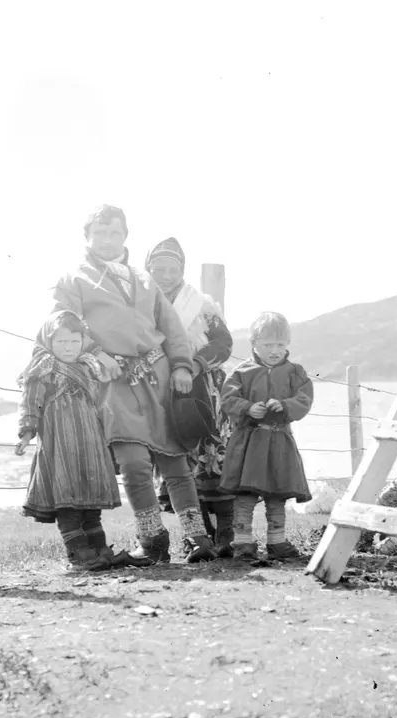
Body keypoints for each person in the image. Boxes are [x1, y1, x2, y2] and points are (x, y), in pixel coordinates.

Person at [50, 205, 217, 564]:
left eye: (115, 233)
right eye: (100, 233)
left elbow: (171, 327)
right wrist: (96, 352)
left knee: (175, 462)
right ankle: (153, 540)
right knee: (134, 463)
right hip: (114, 379)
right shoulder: (73, 279)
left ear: (125, 236)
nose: (107, 240)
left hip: (159, 376)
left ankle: (198, 539)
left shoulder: (144, 279)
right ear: (87, 237)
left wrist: (182, 366)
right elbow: (62, 322)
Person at [144, 237, 235, 557]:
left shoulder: (201, 304)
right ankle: (197, 535)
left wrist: (194, 365)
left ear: (182, 270)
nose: (166, 276)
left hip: (202, 389)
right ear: (148, 269)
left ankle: (226, 533)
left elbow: (223, 343)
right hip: (159, 390)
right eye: (159, 269)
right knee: (176, 458)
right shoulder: (141, 304)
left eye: (173, 269)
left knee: (212, 457)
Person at [16, 310, 122, 572]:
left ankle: (100, 548)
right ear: (48, 341)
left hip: (90, 442)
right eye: (61, 341)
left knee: (90, 499)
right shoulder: (43, 368)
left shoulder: (89, 366)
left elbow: (101, 403)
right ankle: (78, 553)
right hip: (60, 444)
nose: (69, 347)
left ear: (83, 341)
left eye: (75, 341)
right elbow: (31, 401)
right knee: (68, 498)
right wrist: (27, 431)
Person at [219, 311, 313, 562]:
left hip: (280, 442)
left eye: (280, 345)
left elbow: (304, 399)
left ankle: (277, 542)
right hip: (249, 443)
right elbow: (228, 399)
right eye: (268, 345)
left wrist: (285, 405)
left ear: (287, 344)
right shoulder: (241, 372)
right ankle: (242, 543)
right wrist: (248, 408)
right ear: (254, 344)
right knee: (245, 495)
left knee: (277, 494)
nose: (275, 351)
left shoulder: (295, 372)